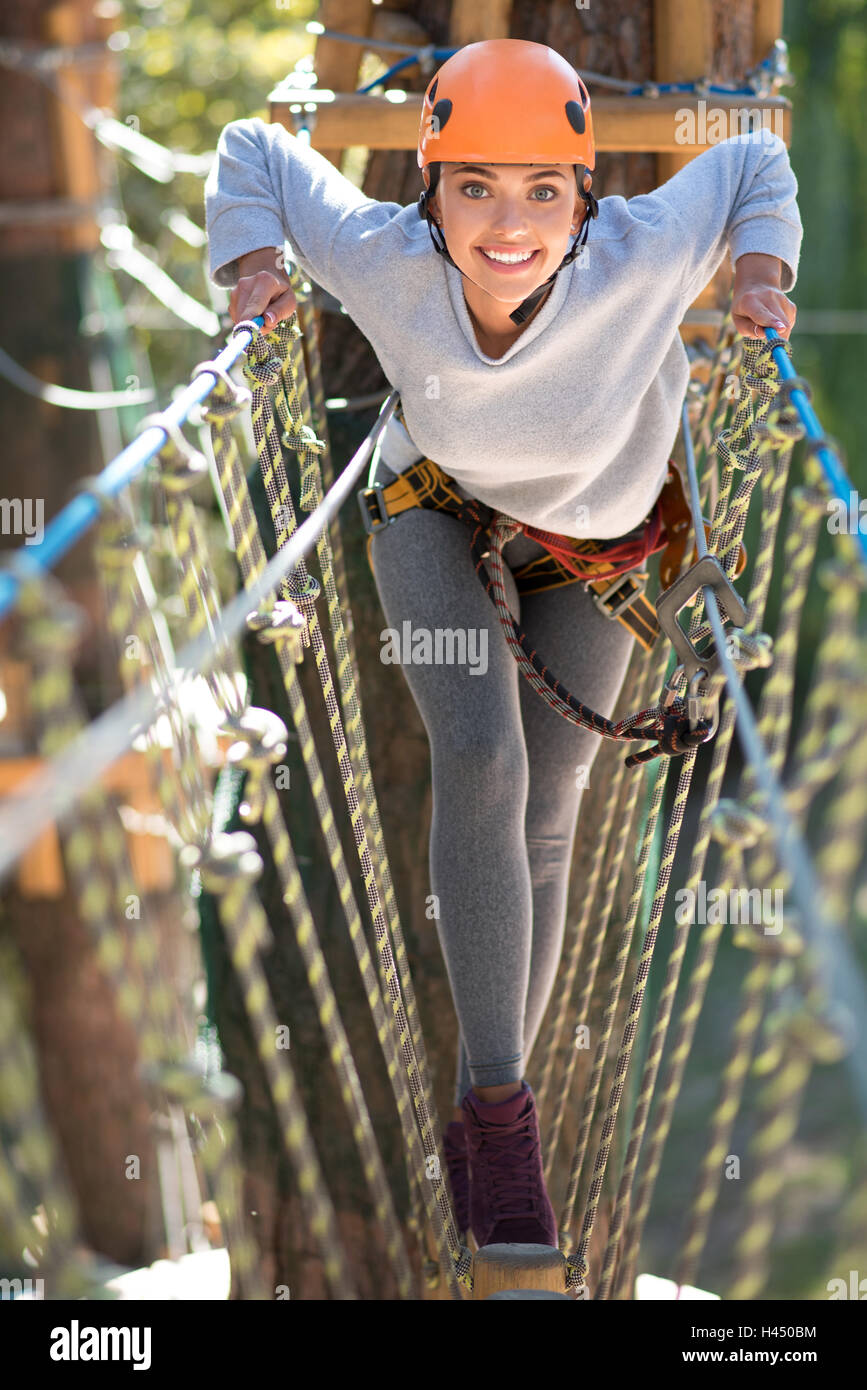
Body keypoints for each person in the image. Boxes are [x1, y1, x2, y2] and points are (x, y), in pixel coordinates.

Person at [205, 37, 800, 1251]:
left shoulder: (639, 255)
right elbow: (256, 147)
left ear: (586, 200)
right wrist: (255, 257)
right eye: (473, 185)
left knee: (552, 804)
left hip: (605, 539)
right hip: (432, 508)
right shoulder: (387, 257)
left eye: (542, 189)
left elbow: (752, 162)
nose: (507, 222)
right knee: (483, 760)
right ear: (429, 192)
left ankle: (492, 1111)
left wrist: (757, 276)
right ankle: (501, 1116)